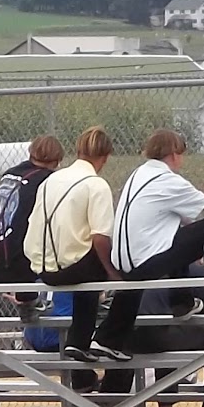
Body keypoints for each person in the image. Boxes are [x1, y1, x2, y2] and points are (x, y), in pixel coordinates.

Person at [94, 129, 204, 355]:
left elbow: (180, 219)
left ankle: (106, 339)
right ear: (173, 154)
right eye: (181, 154)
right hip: (144, 264)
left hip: (125, 263)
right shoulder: (168, 180)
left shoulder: (139, 174)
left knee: (175, 237)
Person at [24, 127, 120, 369]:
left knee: (87, 263)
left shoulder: (51, 180)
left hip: (42, 268)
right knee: (104, 260)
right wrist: (114, 274)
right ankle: (93, 339)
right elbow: (100, 237)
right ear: (105, 156)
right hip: (73, 270)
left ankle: (78, 341)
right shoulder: (96, 185)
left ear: (77, 150)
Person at [0, 135, 64, 322]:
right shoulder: (48, 180)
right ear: (57, 160)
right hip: (20, 267)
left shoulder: (10, 174)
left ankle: (28, 303)